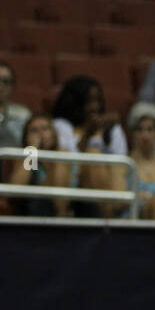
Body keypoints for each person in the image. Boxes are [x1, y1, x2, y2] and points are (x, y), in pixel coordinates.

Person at [50, 75, 127, 217]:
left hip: (107, 185)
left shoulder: (112, 128)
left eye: (97, 100)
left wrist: (107, 134)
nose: (95, 107)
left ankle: (111, 219)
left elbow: (120, 163)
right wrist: (87, 134)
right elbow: (70, 160)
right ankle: (61, 216)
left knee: (101, 157)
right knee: (90, 154)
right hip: (73, 183)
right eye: (89, 102)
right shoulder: (60, 127)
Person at [2, 113, 70, 217]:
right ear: (26, 137)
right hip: (40, 208)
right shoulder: (27, 158)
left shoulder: (65, 153)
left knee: (62, 157)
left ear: (53, 133)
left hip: (71, 204)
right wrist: (32, 150)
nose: (41, 134)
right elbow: (14, 190)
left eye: (45, 129)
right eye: (34, 131)